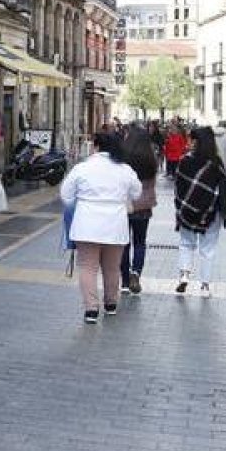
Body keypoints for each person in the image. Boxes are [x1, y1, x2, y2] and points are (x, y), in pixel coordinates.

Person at [60, 132, 143, 324]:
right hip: (115, 225)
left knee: (88, 267)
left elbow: (66, 194)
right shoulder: (125, 169)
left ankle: (91, 309)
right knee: (112, 267)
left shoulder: (82, 168)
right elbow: (137, 193)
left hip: (86, 225)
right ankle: (111, 304)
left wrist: (81, 201)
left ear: (95, 146)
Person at [174, 126, 226, 297]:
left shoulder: (184, 161)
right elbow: (222, 190)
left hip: (187, 210)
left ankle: (184, 275)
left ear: (197, 141)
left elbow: (178, 186)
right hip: (211, 213)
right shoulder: (216, 164)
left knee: (186, 243)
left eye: (191, 139)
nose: (189, 142)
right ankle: (205, 286)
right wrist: (224, 212)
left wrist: (180, 206)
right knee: (208, 249)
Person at [119, 127, 159, 295]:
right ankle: (136, 273)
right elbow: (153, 182)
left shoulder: (123, 158)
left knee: (124, 243)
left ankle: (125, 281)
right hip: (144, 206)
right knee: (140, 242)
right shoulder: (151, 158)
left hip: (125, 205)